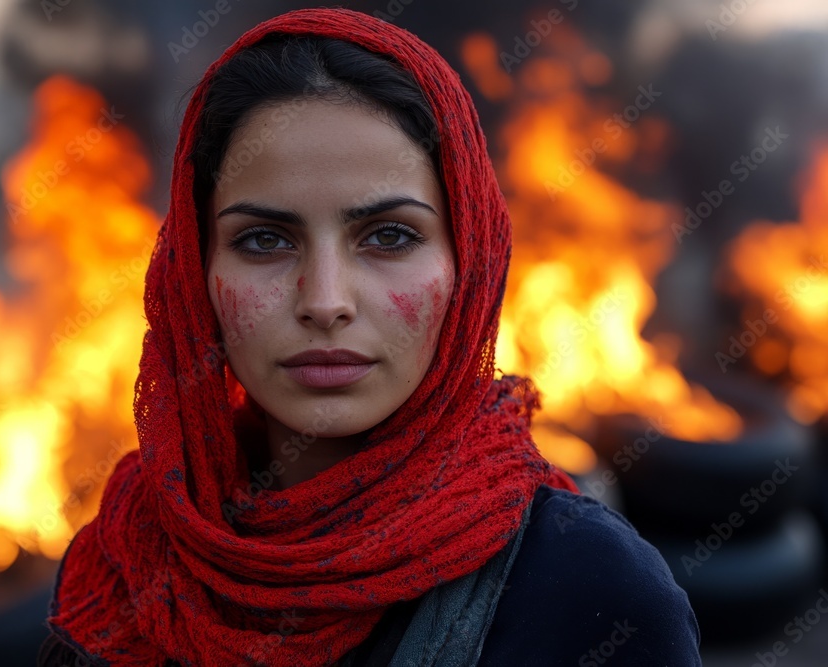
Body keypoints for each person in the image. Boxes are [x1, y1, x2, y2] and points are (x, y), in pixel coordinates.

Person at [39, 8, 702, 666]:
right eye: (264, 240)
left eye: (388, 235)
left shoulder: (591, 596)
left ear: (468, 263)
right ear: (195, 272)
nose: (325, 301)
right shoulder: (125, 560)